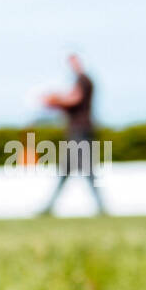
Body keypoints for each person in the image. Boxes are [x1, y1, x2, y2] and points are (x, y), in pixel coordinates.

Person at [37, 53, 108, 217]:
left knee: (87, 170)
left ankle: (101, 206)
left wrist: (54, 101)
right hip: (76, 131)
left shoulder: (84, 80)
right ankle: (49, 207)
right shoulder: (80, 81)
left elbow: (74, 99)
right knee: (66, 170)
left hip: (81, 130)